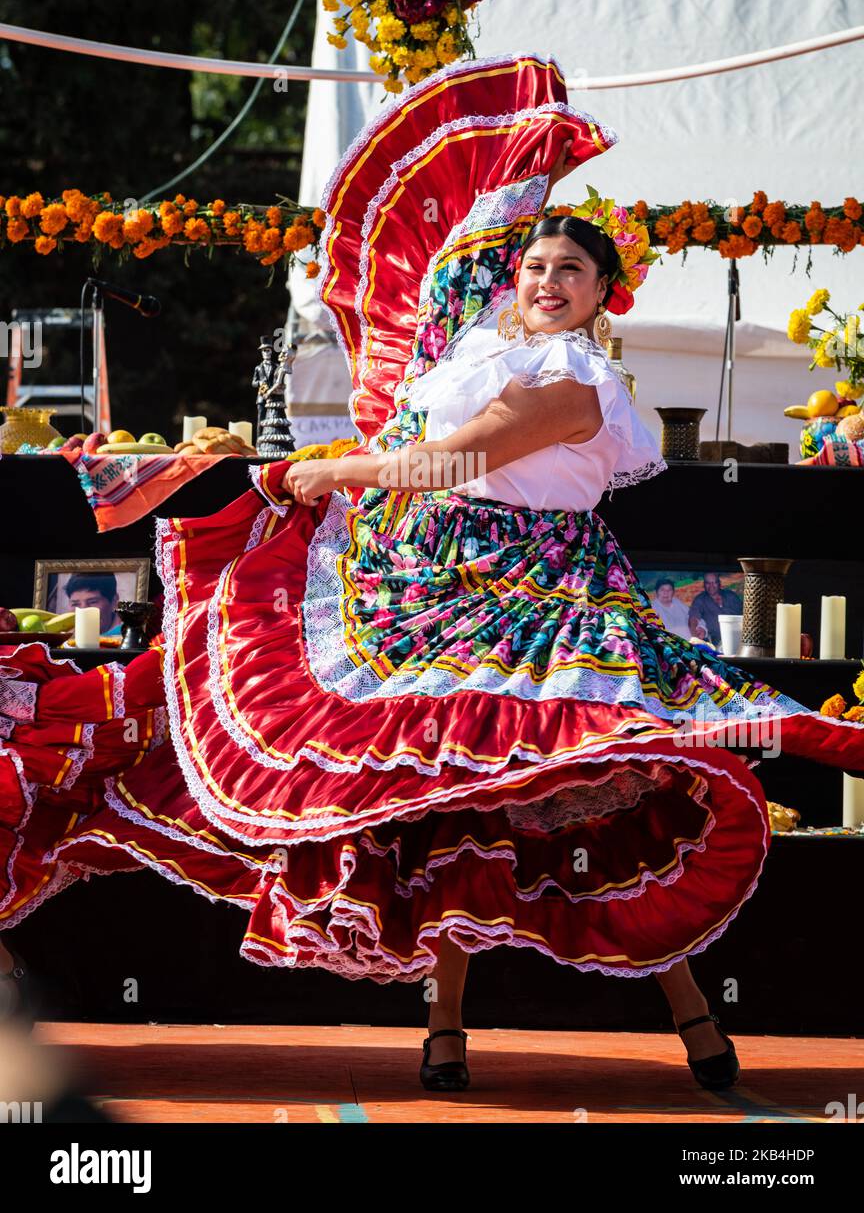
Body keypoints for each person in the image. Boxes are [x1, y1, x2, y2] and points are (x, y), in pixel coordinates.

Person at [1, 54, 862, 1100]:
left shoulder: (574, 381)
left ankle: (692, 1020)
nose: (544, 282)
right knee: (446, 797)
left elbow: (441, 464)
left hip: (542, 615)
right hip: (440, 593)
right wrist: (512, 172)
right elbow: (430, 402)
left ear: (601, 299)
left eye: (568, 274)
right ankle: (449, 1029)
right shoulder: (489, 358)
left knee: (588, 789)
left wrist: (320, 470)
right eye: (536, 267)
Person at [688, 573, 744, 646]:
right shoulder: (700, 599)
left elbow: (744, 612)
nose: (711, 586)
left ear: (719, 583)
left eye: (714, 582)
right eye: (708, 583)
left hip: (739, 637)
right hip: (716, 641)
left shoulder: (731, 596)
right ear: (704, 585)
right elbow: (693, 619)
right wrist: (695, 638)